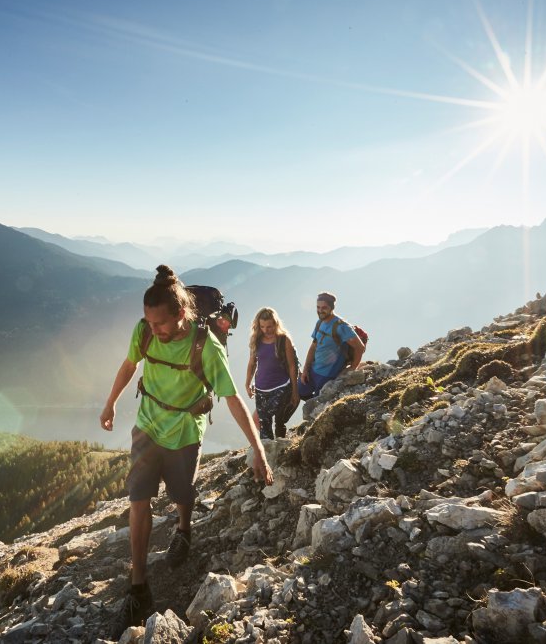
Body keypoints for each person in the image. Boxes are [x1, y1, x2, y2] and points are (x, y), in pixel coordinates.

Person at [99, 265, 273, 632]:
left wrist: (257, 447)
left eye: (160, 323)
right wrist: (110, 402)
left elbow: (232, 398)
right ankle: (138, 587)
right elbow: (129, 365)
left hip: (184, 432)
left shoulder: (205, 346)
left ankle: (183, 528)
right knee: (139, 499)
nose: (154, 330)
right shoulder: (144, 331)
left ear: (181, 313)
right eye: (149, 322)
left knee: (182, 493)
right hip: (147, 427)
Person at [298, 291, 365, 399]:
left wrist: (353, 368)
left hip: (328, 375)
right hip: (313, 370)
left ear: (332, 308)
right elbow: (313, 347)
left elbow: (360, 347)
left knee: (318, 402)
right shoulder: (320, 322)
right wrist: (306, 369)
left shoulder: (341, 326)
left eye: (324, 308)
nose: (320, 310)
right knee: (300, 392)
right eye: (318, 307)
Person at [245, 307, 299, 439]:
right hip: (260, 389)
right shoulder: (256, 339)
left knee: (279, 421)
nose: (265, 330)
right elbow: (252, 363)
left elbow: (292, 366)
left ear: (276, 324)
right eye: (262, 327)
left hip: (281, 387)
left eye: (269, 326)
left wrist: (294, 390)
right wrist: (247, 384)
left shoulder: (284, 340)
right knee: (264, 426)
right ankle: (268, 449)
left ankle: (281, 446)